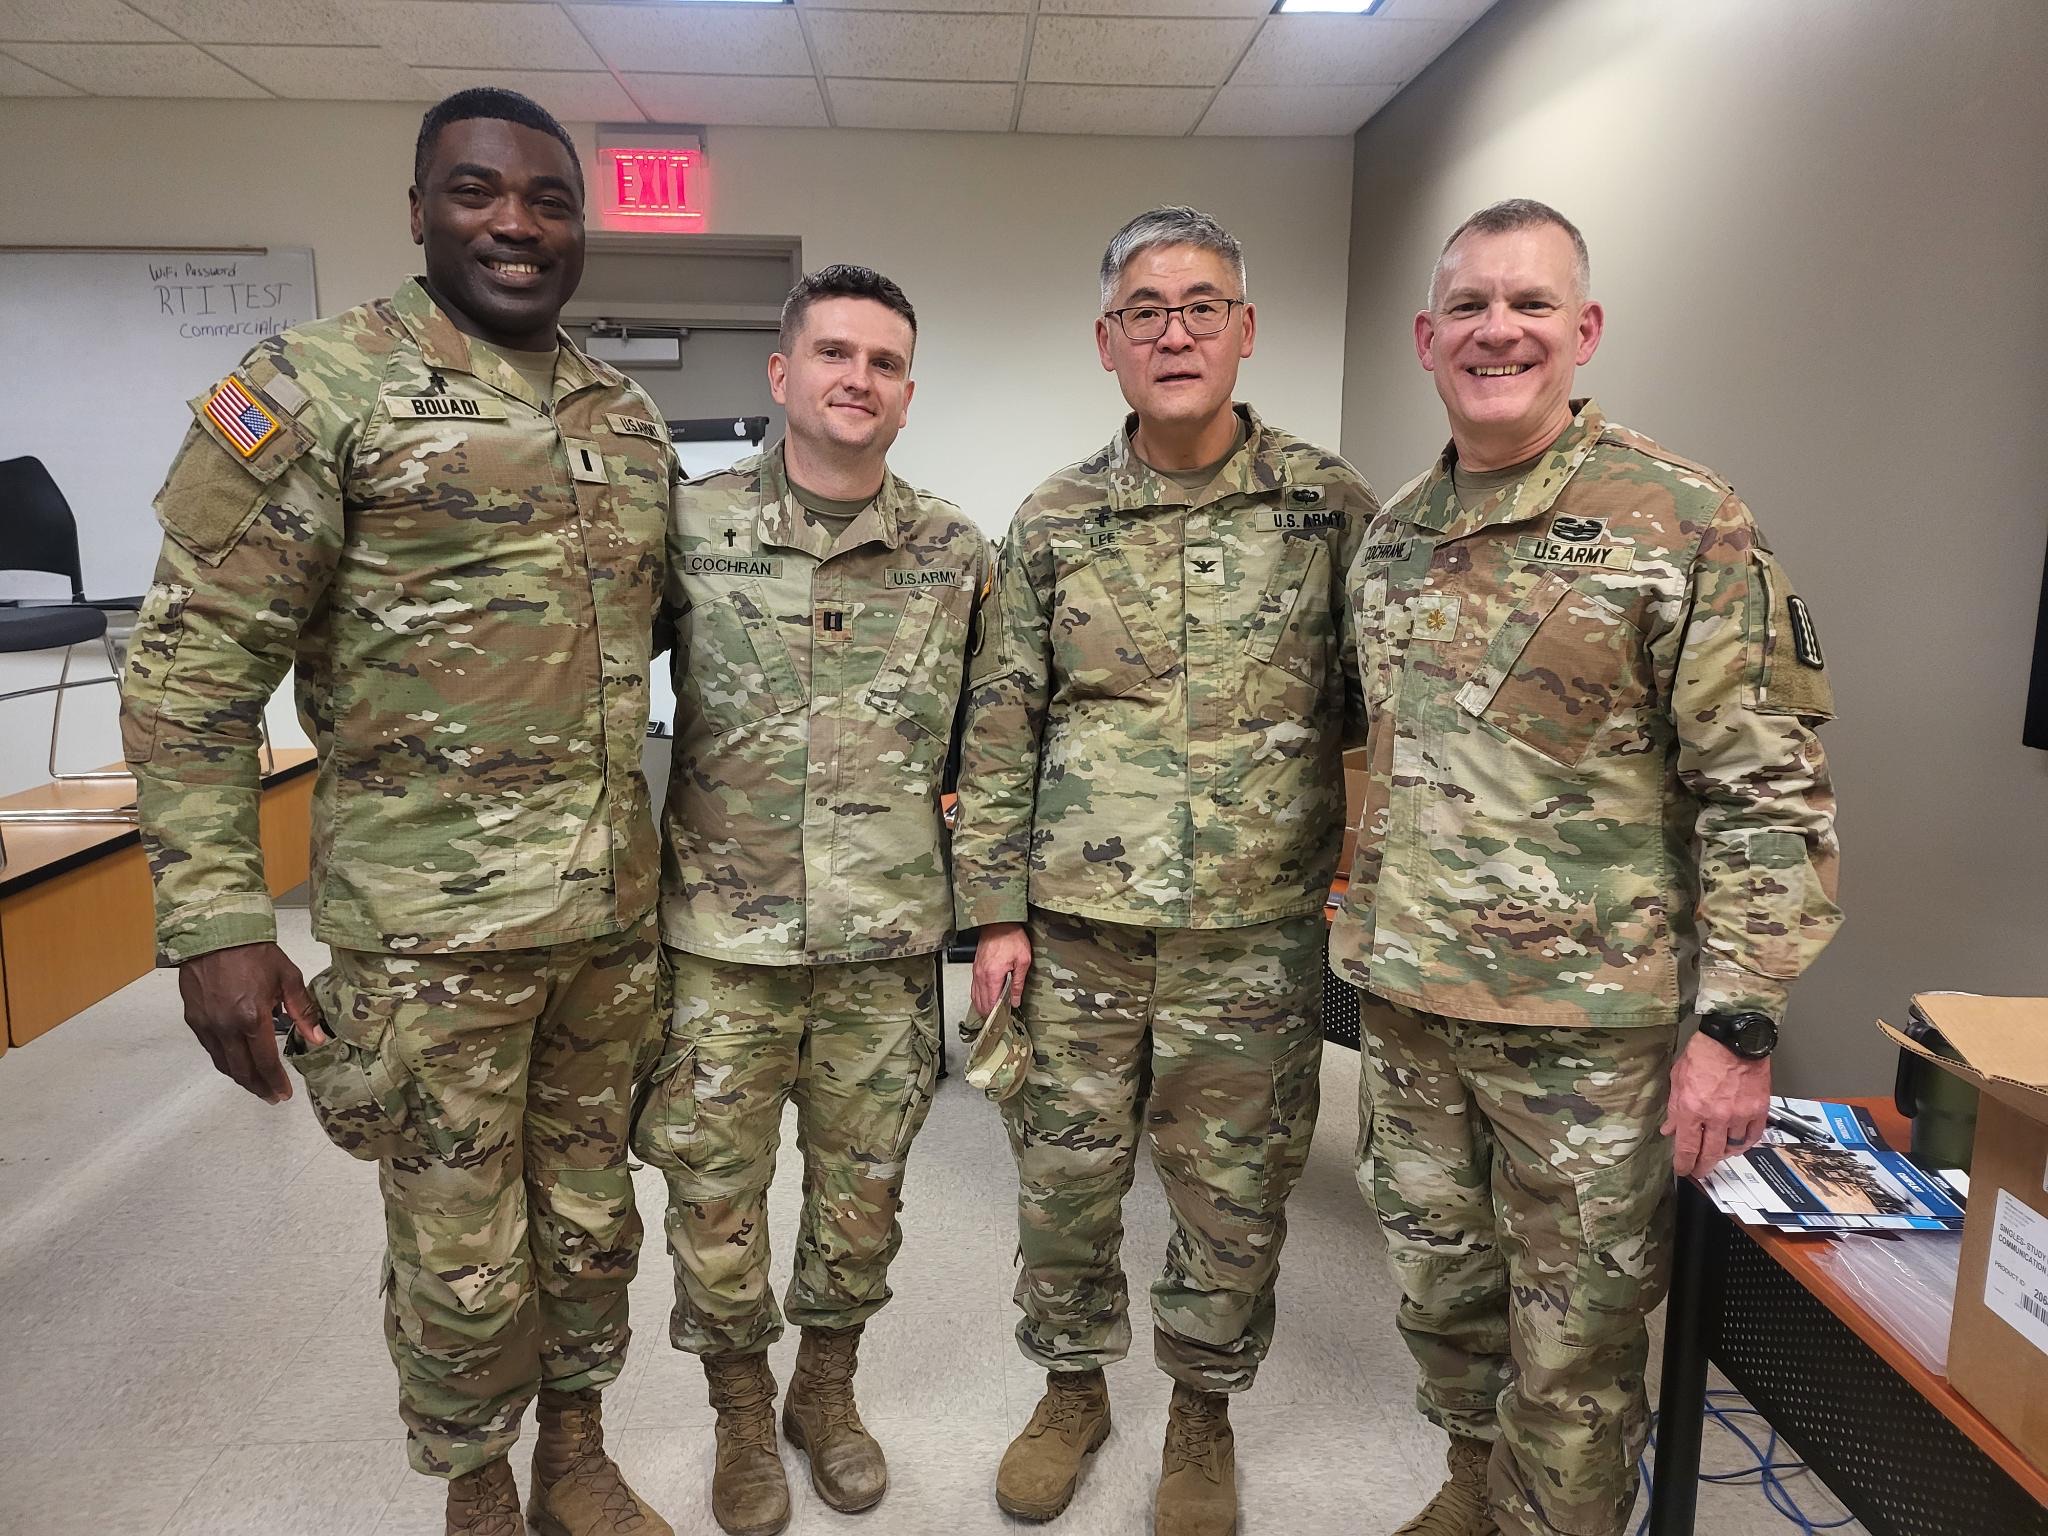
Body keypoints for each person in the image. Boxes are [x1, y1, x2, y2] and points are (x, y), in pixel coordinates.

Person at [119, 88, 674, 1536]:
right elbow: (189, 677)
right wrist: (218, 923)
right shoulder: (316, 387)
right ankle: (478, 1492)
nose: (516, 222)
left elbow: (660, 639)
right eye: (479, 190)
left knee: (591, 1222)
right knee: (458, 1250)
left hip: (608, 928)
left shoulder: (622, 414)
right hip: (430, 937)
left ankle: (578, 1457)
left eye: (548, 199)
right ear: (418, 206)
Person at [1332, 198, 1841, 1536]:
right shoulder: (1391, 537)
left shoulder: (1681, 521)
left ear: (1584, 329)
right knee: (1444, 1298)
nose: (1500, 329)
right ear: (1426, 335)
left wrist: (1738, 1022)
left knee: (1577, 1348)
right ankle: (1468, 1486)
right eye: (1473, 307)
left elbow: (1767, 787)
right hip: (1410, 1012)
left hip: (1588, 1039)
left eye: (1532, 304)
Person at [951, 206, 1378, 1536]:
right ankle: (1072, 1390)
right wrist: (989, 917)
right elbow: (1003, 725)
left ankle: (1201, 1415)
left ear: (1245, 331)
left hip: (1252, 938)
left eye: (1202, 305)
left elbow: (1384, 715)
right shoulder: (1054, 520)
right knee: (1066, 1181)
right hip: (1074, 936)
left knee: (1232, 1191)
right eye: (1147, 310)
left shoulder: (1329, 510)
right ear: (1107, 343)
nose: (1175, 330)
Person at [630, 265, 989, 1536]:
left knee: (862, 1197)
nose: (858, 379)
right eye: (832, 354)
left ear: (906, 394)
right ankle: (739, 1413)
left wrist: (993, 909)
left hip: (884, 950)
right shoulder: (691, 526)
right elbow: (599, 701)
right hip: (721, 943)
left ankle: (824, 1396)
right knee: (714, 1201)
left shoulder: (954, 552)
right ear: (781, 376)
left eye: (884, 362)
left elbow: (993, 751)